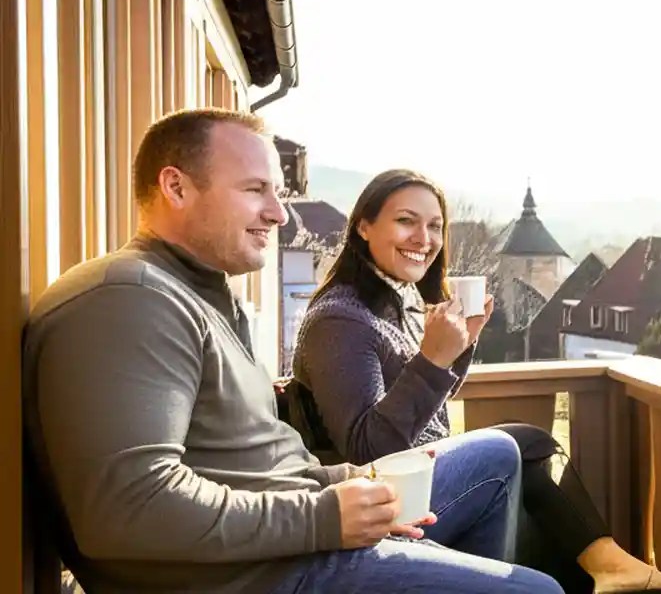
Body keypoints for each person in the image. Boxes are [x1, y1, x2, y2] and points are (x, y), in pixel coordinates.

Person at [21, 108, 564, 594]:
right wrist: (324, 517)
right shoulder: (128, 299)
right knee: (538, 590)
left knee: (499, 454)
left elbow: (255, 463)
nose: (279, 214)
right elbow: (126, 511)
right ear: (176, 187)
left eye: (277, 192)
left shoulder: (204, 296)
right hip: (260, 573)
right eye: (256, 190)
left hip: (286, 540)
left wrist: (344, 482)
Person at [289, 170, 661, 594]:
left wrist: (459, 346)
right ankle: (611, 566)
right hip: (377, 506)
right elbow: (369, 450)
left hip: (416, 487)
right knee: (519, 447)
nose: (424, 238)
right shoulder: (341, 320)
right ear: (363, 226)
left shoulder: (400, 302)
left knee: (530, 459)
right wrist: (434, 358)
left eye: (434, 226)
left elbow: (421, 407)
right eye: (406, 221)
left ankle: (612, 565)